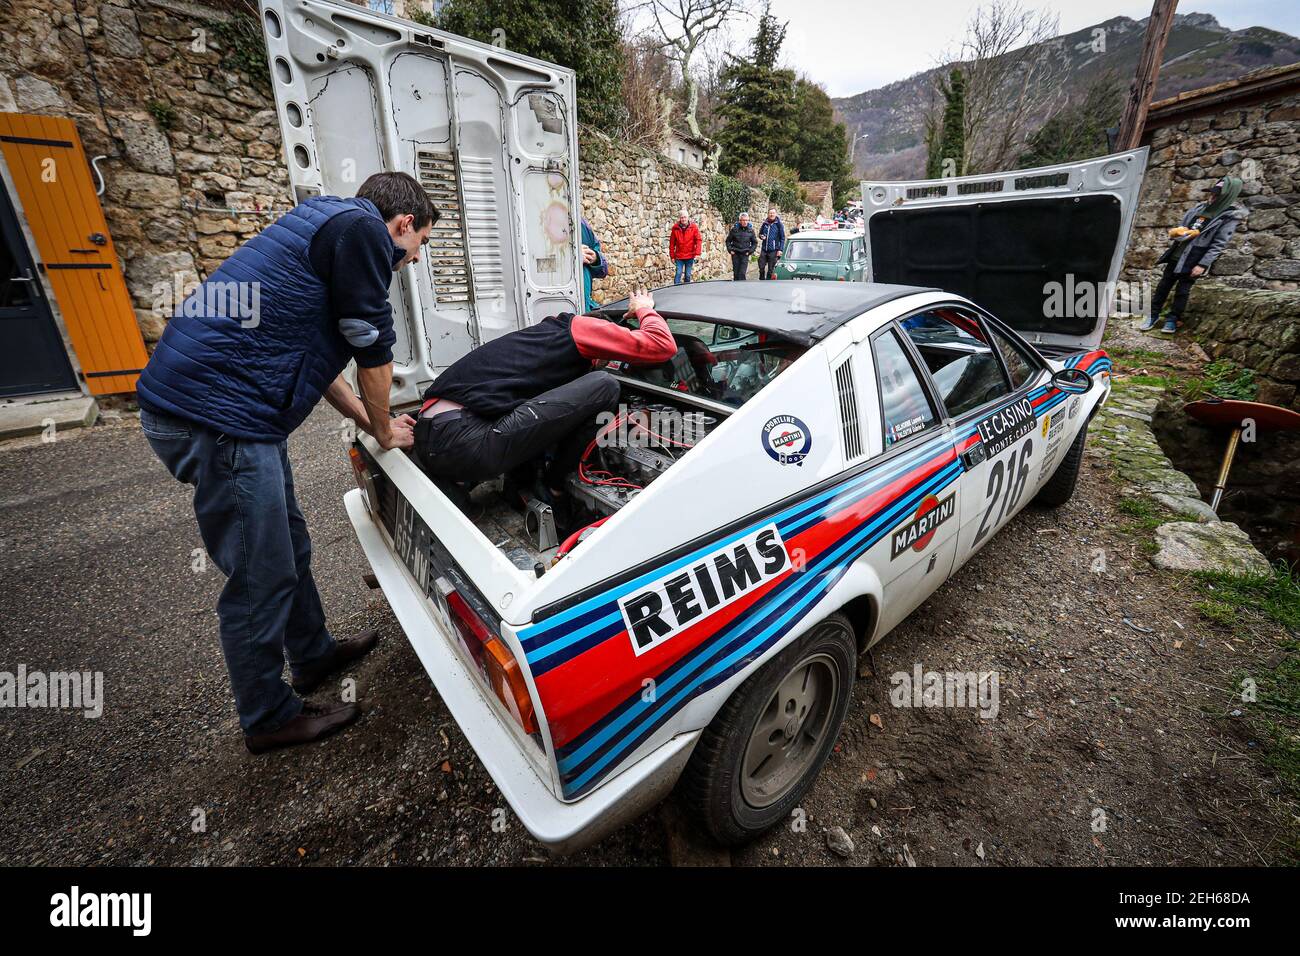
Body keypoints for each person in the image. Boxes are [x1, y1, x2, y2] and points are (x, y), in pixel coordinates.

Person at [136, 171, 436, 754]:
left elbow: (319, 356)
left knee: (288, 544)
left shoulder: (329, 223)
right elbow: (372, 345)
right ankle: (267, 717)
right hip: (215, 416)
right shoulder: (365, 235)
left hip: (228, 411)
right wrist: (383, 429)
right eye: (420, 244)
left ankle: (313, 654)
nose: (415, 259)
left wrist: (364, 419)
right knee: (261, 571)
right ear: (402, 225)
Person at [414, 287, 677, 519]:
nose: (606, 361)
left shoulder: (540, 347)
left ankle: (520, 489)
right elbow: (662, 345)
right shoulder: (581, 328)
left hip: (433, 437)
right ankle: (554, 487)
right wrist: (644, 310)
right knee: (605, 385)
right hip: (464, 440)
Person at [1141, 176, 1245, 335]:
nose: (1212, 197)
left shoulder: (1228, 217)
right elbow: (1182, 227)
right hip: (1177, 255)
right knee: (1163, 287)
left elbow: (1218, 244)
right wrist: (1177, 233)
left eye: (1217, 195)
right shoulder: (1198, 208)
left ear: (1227, 196)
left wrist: (1202, 265)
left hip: (1194, 260)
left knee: (1182, 291)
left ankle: (1172, 319)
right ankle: (1153, 315)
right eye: (1212, 194)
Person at [581, 217, 607, 312]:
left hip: (585, 305)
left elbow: (603, 270)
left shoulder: (582, 224)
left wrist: (595, 258)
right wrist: (571, 258)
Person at [669, 210, 701, 285]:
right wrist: (672, 256)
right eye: (681, 217)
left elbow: (698, 240)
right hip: (679, 256)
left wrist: (697, 254)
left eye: (685, 217)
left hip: (690, 256)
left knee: (687, 275)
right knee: (678, 273)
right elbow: (672, 243)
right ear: (679, 218)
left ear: (688, 217)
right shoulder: (675, 228)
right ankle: (675, 290)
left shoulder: (694, 227)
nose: (683, 219)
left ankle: (686, 291)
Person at [726, 212, 757, 280]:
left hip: (745, 254)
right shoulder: (734, 230)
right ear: (740, 221)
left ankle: (742, 289)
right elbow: (728, 241)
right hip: (735, 254)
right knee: (736, 273)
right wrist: (730, 250)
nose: (745, 222)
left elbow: (754, 243)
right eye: (743, 220)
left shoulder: (750, 230)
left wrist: (750, 251)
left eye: (746, 220)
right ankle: (736, 289)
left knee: (742, 273)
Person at [758, 207, 786, 280]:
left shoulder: (779, 224)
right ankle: (761, 279)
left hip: (774, 250)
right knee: (761, 266)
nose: (771, 214)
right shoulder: (765, 223)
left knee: (770, 270)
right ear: (768, 214)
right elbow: (760, 233)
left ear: (775, 214)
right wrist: (761, 236)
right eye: (770, 213)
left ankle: (768, 283)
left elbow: (782, 238)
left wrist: (780, 250)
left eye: (773, 213)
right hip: (764, 249)